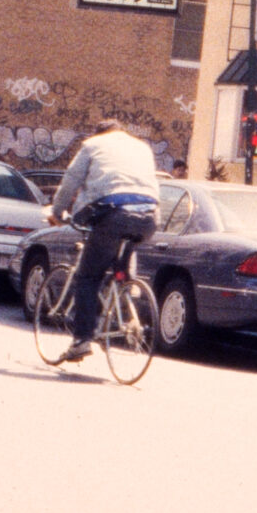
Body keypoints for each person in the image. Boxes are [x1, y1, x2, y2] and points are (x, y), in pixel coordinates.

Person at [46, 116, 161, 363]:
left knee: (88, 276)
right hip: (150, 215)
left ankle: (82, 340)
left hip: (113, 213)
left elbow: (71, 180)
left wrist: (57, 211)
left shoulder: (92, 145)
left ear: (98, 133)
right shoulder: (142, 147)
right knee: (125, 245)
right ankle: (126, 285)